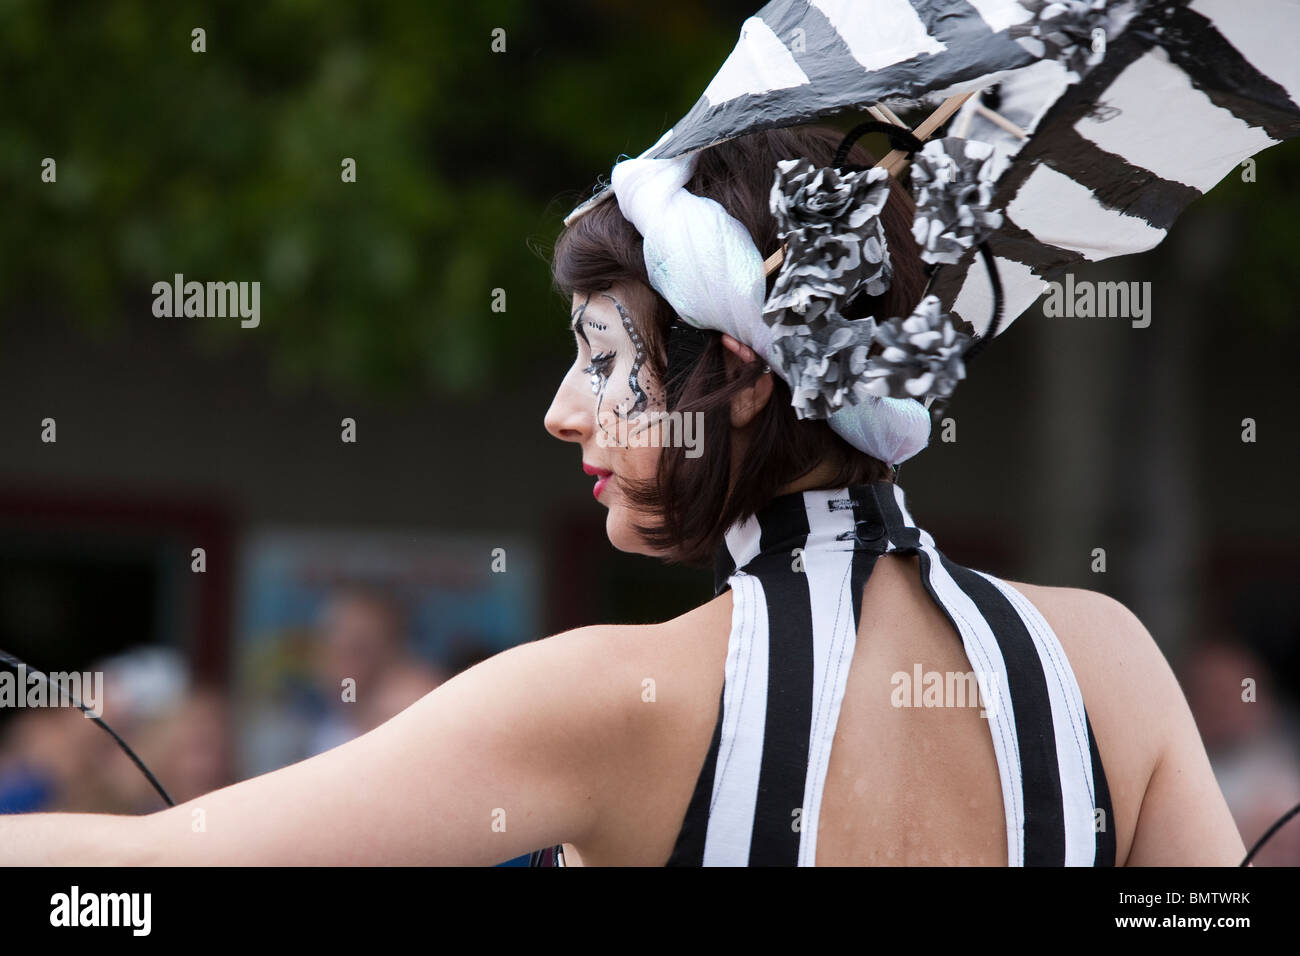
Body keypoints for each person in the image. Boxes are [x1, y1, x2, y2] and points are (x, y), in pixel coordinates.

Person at [0, 124, 1244, 867]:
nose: (562, 406)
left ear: (745, 374)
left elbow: (150, 863)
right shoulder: (1110, 661)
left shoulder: (616, 695)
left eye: (604, 359)